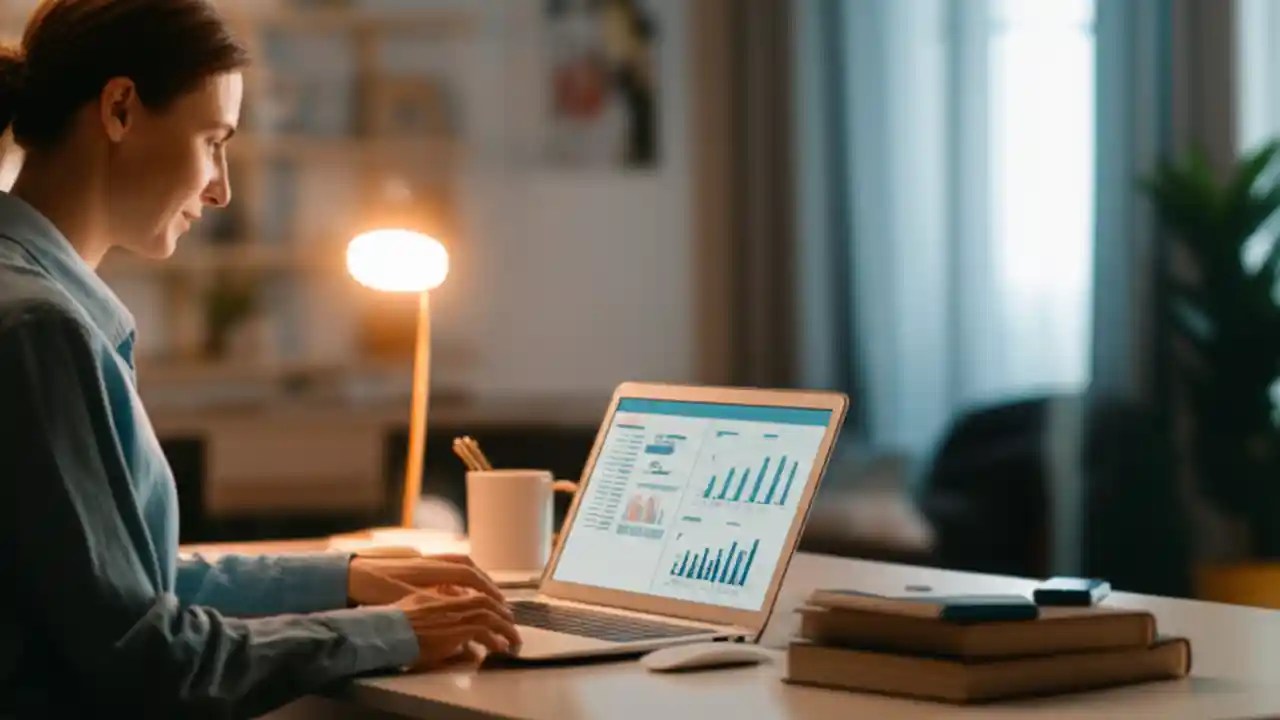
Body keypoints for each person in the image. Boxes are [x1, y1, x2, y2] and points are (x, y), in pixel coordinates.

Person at [0, 1, 520, 716]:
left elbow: (122, 585)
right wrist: (388, 633)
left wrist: (347, 577)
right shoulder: (39, 327)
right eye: (213, 140)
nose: (221, 188)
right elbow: (144, 656)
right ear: (120, 109)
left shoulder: (35, 304)